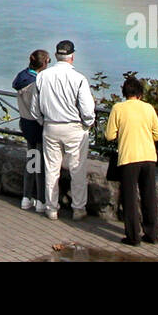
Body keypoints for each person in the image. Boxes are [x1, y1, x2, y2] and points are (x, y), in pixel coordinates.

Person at [30, 39, 95, 220]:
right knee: (77, 169)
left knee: (52, 169)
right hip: (74, 127)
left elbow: (35, 108)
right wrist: (87, 123)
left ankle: (51, 208)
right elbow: (88, 110)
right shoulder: (79, 79)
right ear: (72, 57)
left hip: (51, 126)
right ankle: (78, 208)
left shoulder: (42, 76)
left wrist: (44, 121)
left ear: (56, 55)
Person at [105, 75, 158, 245]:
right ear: (140, 93)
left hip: (129, 157)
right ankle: (152, 234)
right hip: (148, 157)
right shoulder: (148, 108)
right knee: (149, 196)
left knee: (130, 198)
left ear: (124, 92)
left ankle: (133, 236)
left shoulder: (118, 108)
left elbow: (109, 135)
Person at [13, 49, 50, 213]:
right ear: (44, 63)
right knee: (39, 163)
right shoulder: (37, 83)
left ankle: (26, 197)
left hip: (25, 123)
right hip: (37, 125)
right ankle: (41, 199)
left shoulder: (21, 78)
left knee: (32, 160)